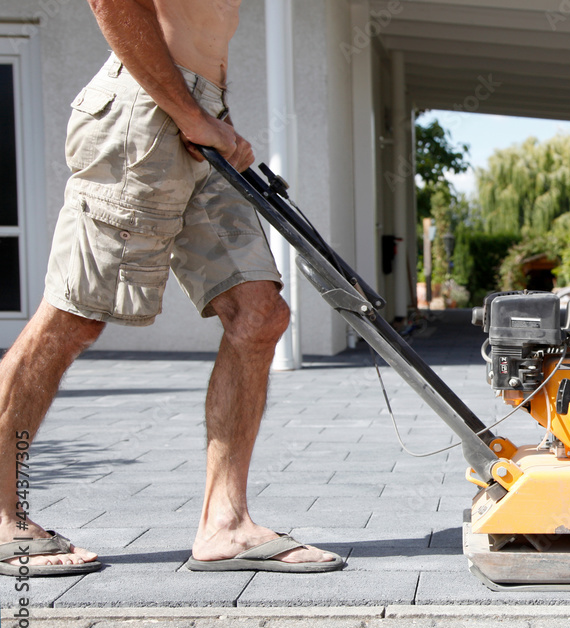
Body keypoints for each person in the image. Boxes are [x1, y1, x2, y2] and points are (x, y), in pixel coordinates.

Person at [0, 0, 343, 575]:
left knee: (260, 315)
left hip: (197, 116)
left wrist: (207, 115)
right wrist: (187, 110)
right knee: (74, 316)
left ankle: (225, 525)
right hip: (144, 113)